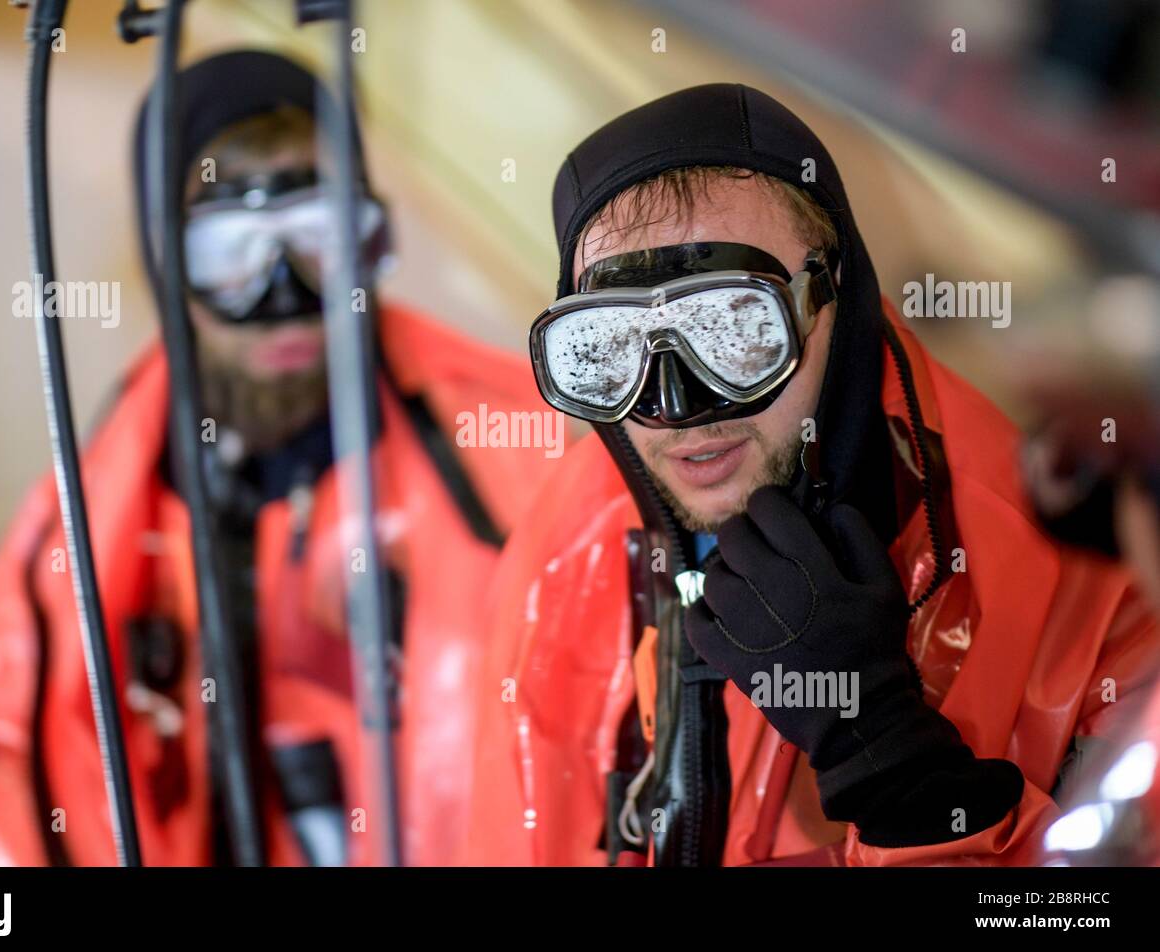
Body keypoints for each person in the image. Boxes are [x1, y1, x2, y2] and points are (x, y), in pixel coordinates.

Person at [466, 83, 1160, 866]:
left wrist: (895, 766)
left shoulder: (1083, 592)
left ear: (838, 296)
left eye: (733, 327)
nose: (673, 408)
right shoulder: (571, 539)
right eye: (606, 347)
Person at [0, 50, 565, 866]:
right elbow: (17, 782)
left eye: (318, 236)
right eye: (231, 250)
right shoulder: (72, 535)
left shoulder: (531, 460)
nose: (283, 294)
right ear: (163, 262)